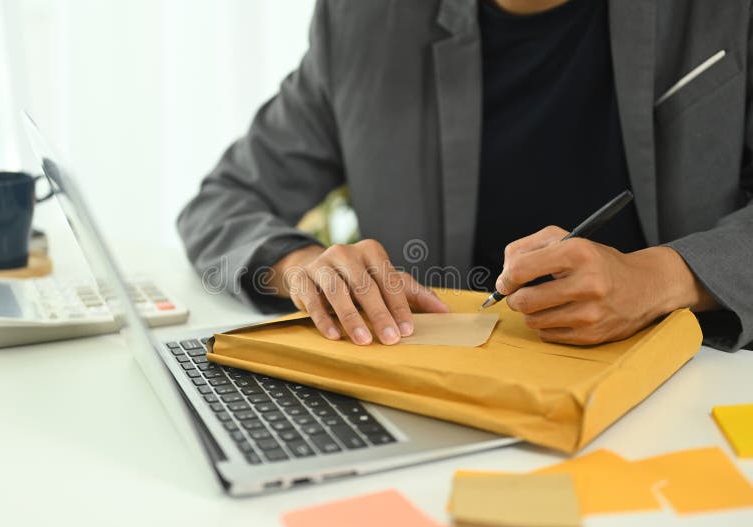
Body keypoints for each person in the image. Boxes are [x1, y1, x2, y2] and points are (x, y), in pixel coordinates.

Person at [178, 0, 753, 352]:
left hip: (689, 395)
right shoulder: (363, 20)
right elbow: (222, 202)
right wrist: (304, 270)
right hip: (437, 399)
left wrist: (660, 279)